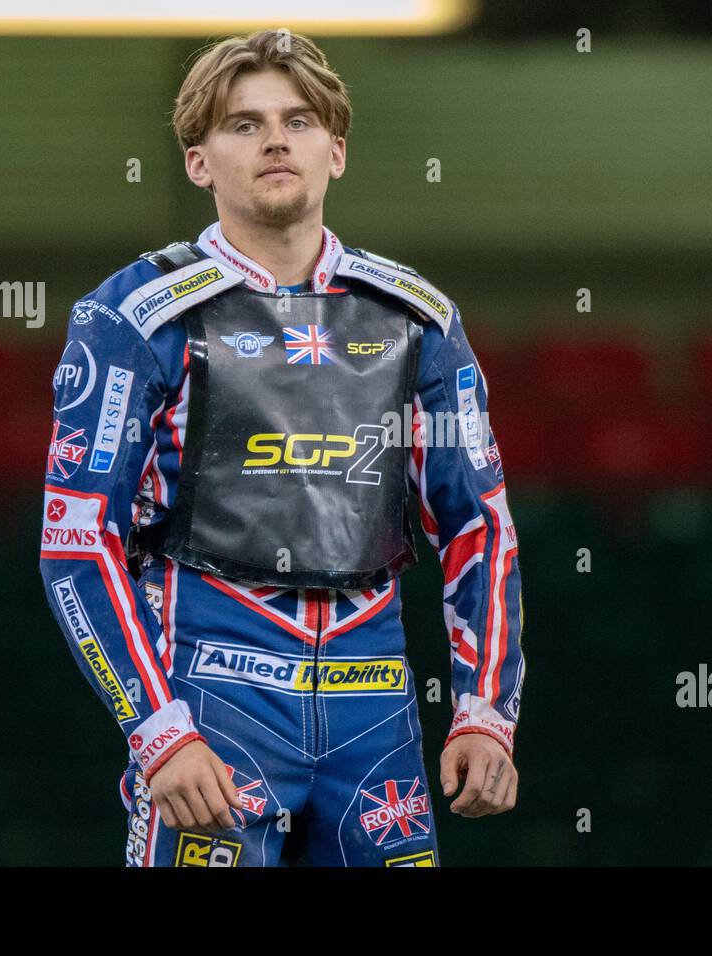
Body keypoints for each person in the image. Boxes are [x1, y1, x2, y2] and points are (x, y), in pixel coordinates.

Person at [38, 28, 524, 867]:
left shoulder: (417, 317)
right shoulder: (134, 315)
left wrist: (486, 711)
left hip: (376, 707)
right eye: (243, 124)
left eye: (298, 122)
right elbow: (77, 540)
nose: (274, 140)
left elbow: (480, 524)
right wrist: (157, 730)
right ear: (199, 162)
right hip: (211, 695)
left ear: (336, 152)